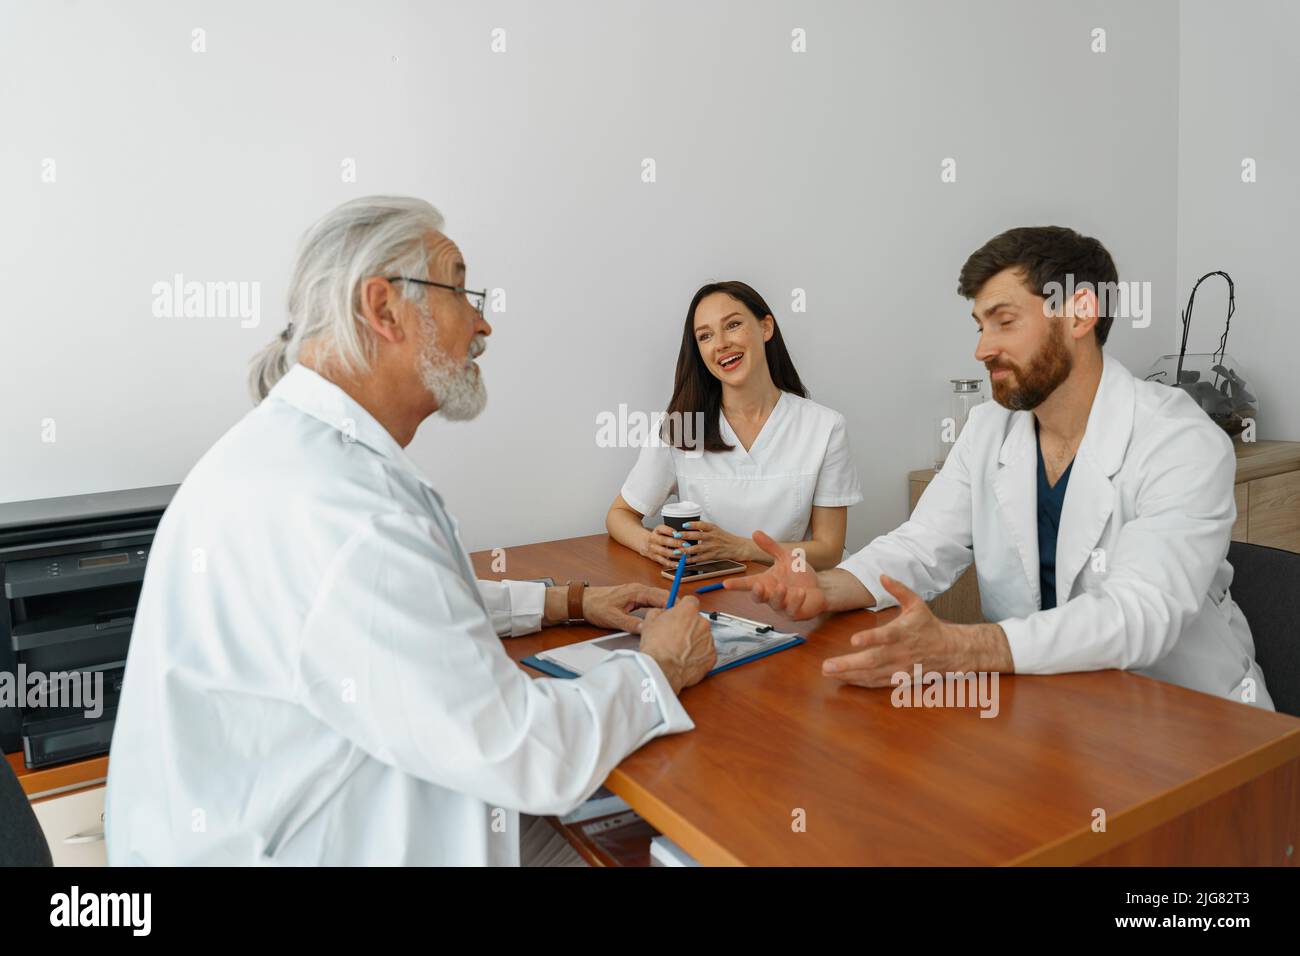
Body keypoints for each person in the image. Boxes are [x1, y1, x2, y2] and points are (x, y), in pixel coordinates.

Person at [105, 196, 717, 866]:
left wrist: (570, 602)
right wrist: (659, 667)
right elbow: (525, 753)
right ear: (383, 309)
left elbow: (405, 609)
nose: (482, 323)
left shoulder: (288, 459)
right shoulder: (342, 511)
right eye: (460, 289)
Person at [727, 226, 1273, 710]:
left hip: (1188, 721)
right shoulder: (992, 428)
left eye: (1004, 321)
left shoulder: (1179, 440)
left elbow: (1139, 616)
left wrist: (965, 648)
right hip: (1049, 707)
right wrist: (828, 587)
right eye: (979, 325)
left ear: (1080, 312)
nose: (982, 348)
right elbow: (922, 545)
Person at [606, 281, 862, 572]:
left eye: (733, 325)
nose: (720, 344)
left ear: (766, 328)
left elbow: (828, 551)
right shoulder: (683, 427)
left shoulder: (825, 427)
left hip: (793, 595)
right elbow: (619, 514)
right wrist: (648, 543)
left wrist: (741, 548)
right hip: (712, 593)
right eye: (705, 336)